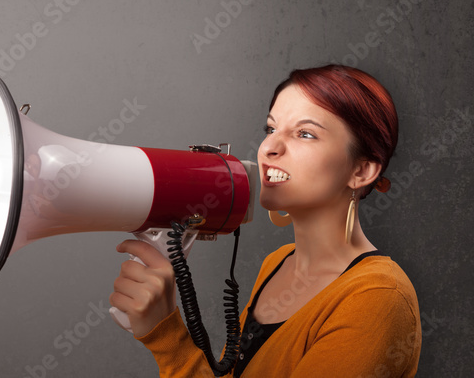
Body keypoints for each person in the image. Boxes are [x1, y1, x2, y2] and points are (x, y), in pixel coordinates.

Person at [110, 64, 421, 377]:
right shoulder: (278, 263)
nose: (270, 147)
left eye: (305, 133)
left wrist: (167, 337)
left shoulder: (377, 297)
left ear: (361, 171)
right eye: (271, 129)